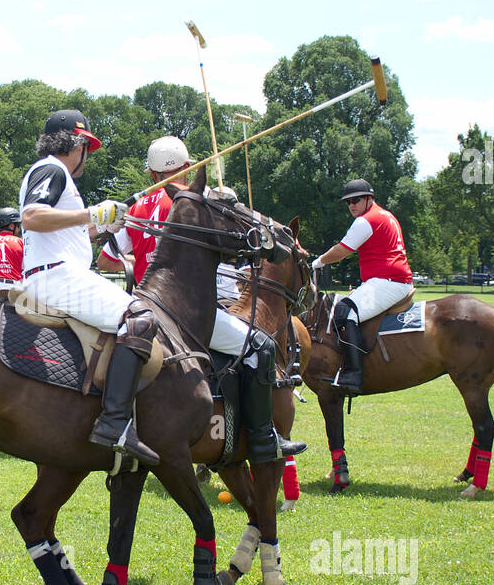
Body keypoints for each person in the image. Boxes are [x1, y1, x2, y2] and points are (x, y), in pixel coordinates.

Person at [98, 137, 304, 463]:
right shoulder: (199, 199)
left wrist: (145, 263)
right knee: (260, 347)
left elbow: (105, 262)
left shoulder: (137, 209)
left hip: (144, 309)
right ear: (188, 166)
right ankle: (264, 438)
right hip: (191, 312)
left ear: (152, 174)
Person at [15, 109, 159, 466]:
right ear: (75, 143)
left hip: (56, 271)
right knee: (138, 318)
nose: (87, 157)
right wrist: (92, 213)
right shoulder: (52, 169)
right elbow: (32, 217)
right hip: (55, 276)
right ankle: (114, 424)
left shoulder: (59, 176)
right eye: (86, 147)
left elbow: (74, 232)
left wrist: (106, 224)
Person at [310, 177, 414, 394]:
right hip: (389, 280)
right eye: (348, 202)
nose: (351, 205)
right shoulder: (387, 215)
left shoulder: (366, 220)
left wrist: (317, 263)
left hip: (388, 282)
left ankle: (353, 374)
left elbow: (342, 250)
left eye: (356, 200)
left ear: (369, 198)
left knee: (343, 311)